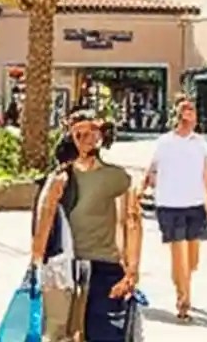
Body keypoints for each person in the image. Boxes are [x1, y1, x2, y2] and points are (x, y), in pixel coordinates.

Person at [31, 109, 143, 341]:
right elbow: (44, 222)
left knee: (106, 336)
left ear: (102, 136)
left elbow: (131, 221)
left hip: (106, 266)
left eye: (92, 131)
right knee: (59, 336)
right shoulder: (59, 179)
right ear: (70, 139)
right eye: (79, 134)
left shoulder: (117, 178)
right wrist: (35, 265)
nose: (88, 138)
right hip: (63, 269)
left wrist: (131, 271)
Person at [143, 96, 207, 322]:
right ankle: (183, 298)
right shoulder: (164, 142)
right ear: (178, 116)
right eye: (186, 112)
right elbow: (152, 168)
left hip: (195, 204)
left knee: (192, 259)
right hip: (169, 204)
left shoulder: (200, 143)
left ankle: (183, 281)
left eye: (192, 112)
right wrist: (143, 187)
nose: (190, 116)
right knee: (179, 253)